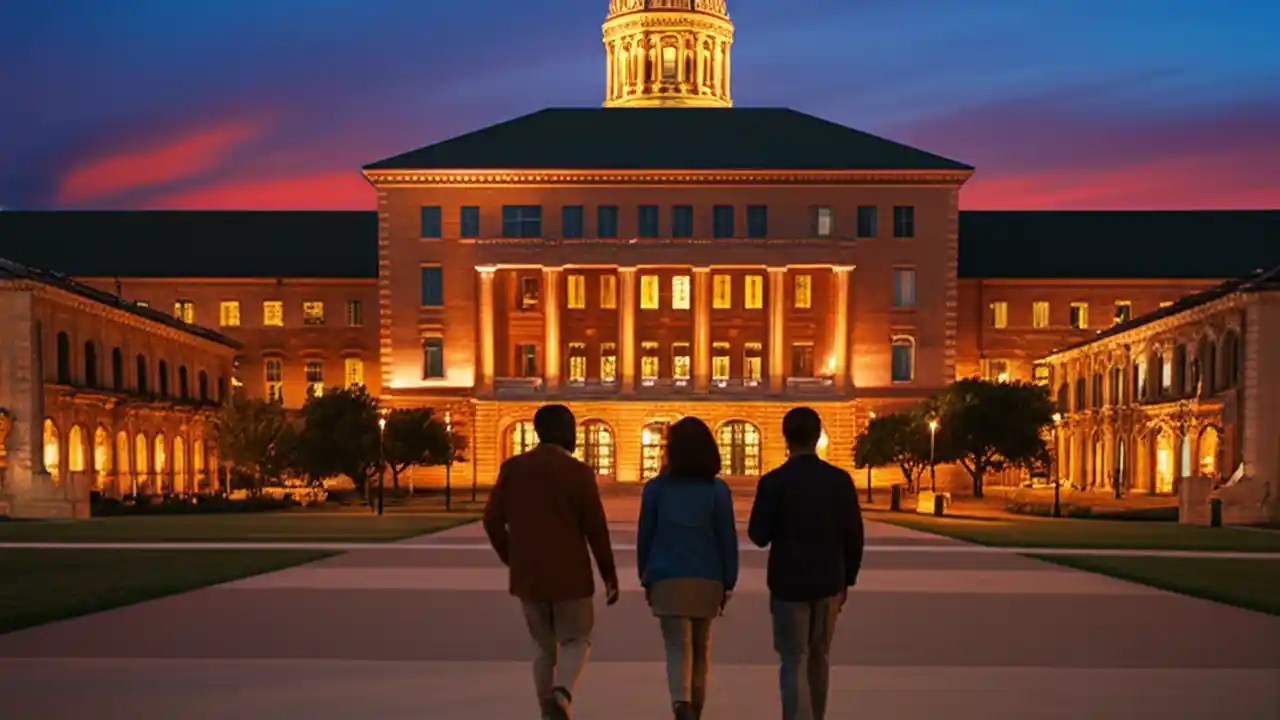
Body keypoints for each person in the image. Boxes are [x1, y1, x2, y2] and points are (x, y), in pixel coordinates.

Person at [483, 404, 619, 720]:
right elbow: (595, 528)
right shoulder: (579, 473)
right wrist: (608, 574)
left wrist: (512, 557)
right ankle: (562, 694)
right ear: (569, 432)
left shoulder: (513, 468)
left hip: (528, 575)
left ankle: (548, 712)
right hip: (571, 575)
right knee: (576, 639)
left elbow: (491, 520)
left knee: (543, 650)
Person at [748, 407, 864, 720]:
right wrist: (847, 580)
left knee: (792, 659)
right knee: (819, 656)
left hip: (788, 584)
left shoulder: (774, 482)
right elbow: (854, 535)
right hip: (829, 583)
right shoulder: (839, 481)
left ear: (786, 439)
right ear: (818, 436)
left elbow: (758, 535)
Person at [637, 417, 739, 720]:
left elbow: (646, 536)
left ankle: (681, 704)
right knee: (701, 646)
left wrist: (646, 576)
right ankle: (696, 706)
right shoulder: (718, 491)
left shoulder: (656, 489)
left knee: (676, 647)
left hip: (667, 575)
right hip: (708, 576)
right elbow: (727, 539)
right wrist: (729, 580)